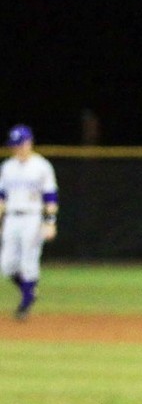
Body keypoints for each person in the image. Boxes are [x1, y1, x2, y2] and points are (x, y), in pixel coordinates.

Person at [1, 124, 59, 321]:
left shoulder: (42, 166)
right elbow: (2, 198)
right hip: (11, 218)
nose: (16, 148)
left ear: (29, 143)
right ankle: (29, 292)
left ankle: (26, 302)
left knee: (28, 261)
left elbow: (50, 197)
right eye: (14, 145)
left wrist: (50, 221)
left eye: (20, 144)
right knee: (6, 265)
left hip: (33, 218)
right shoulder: (7, 167)